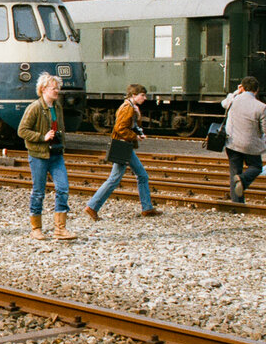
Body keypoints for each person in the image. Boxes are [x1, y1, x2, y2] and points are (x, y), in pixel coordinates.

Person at [84, 84, 160, 221]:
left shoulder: (131, 107)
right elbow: (120, 129)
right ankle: (92, 206)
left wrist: (138, 128)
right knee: (115, 179)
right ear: (133, 95)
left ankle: (147, 208)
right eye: (142, 95)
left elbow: (131, 126)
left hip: (126, 147)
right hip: (122, 147)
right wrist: (135, 136)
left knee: (142, 175)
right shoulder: (127, 108)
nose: (145, 98)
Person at [17, 72, 78, 241]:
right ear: (43, 89)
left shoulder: (57, 107)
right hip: (39, 155)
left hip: (56, 154)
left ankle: (60, 228)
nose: (57, 91)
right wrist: (41, 137)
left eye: (58, 88)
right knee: (38, 192)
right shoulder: (35, 107)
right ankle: (36, 228)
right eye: (54, 88)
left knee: (63, 188)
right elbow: (22, 131)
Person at [221, 75, 266, 203]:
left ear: (242, 88)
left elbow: (223, 103)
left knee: (234, 172)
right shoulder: (261, 106)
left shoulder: (232, 100)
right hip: (251, 145)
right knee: (256, 167)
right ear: (257, 90)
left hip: (232, 143)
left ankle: (237, 203)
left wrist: (237, 91)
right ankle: (242, 180)